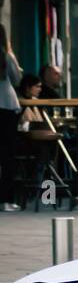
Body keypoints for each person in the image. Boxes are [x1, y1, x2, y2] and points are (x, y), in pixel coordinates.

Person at [0, 25, 23, 212]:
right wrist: (10, 51)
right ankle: (6, 200)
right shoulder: (6, 57)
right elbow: (17, 79)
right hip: (6, 106)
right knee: (7, 155)